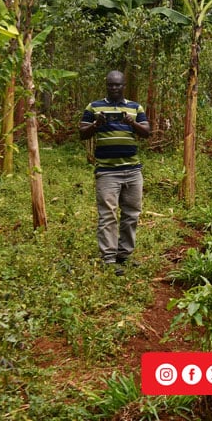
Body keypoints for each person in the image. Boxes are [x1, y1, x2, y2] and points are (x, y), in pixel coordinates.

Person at [79, 71, 151, 276]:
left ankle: (124, 254)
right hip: (107, 171)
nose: (114, 88)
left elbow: (146, 132)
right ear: (106, 86)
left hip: (132, 169)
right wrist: (96, 124)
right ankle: (109, 258)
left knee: (132, 213)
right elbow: (81, 133)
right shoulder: (94, 107)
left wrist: (132, 123)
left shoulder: (135, 107)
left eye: (117, 85)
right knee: (108, 214)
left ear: (124, 86)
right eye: (110, 85)